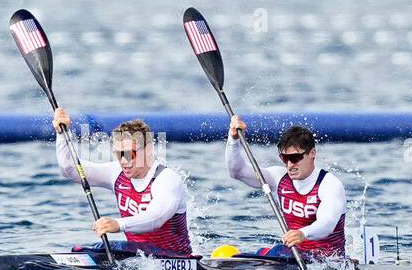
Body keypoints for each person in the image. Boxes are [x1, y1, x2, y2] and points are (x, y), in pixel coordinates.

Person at [52, 108, 193, 255]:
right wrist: (62, 134)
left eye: (130, 154)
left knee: (115, 248)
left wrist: (118, 224)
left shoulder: (166, 179)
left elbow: (156, 218)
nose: (124, 161)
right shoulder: (117, 173)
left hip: (175, 263)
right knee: (83, 250)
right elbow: (70, 169)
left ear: (148, 149)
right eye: (119, 155)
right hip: (138, 260)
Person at [226, 116, 346, 257]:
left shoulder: (329, 184)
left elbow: (327, 224)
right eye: (285, 158)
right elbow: (237, 172)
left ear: (312, 153)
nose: (290, 165)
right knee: (247, 255)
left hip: (326, 261)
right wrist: (233, 139)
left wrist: (303, 233)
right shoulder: (279, 177)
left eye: (295, 158)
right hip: (293, 255)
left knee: (277, 251)